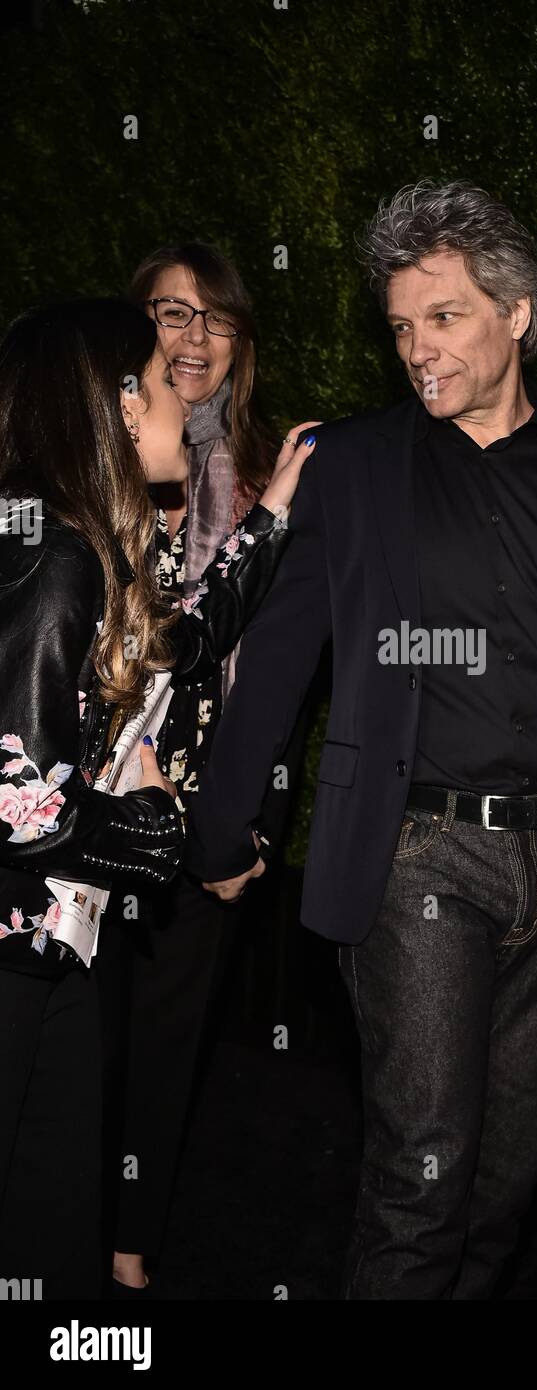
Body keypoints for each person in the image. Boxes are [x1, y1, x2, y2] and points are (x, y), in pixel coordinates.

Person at [186, 179, 537, 1299]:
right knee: (421, 1177)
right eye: (402, 326)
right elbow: (287, 651)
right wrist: (220, 827)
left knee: (505, 1184)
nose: (417, 348)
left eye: (442, 317)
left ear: (519, 316)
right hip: (416, 855)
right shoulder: (353, 467)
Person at [0, 297, 313, 1298]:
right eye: (166, 377)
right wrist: (155, 830)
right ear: (120, 404)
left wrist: (267, 525)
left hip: (54, 952)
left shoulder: (79, 547)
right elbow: (19, 804)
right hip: (16, 958)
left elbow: (178, 648)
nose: (194, 401)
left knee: (56, 1241)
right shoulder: (50, 558)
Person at [99, 244, 318, 1295]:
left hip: (207, 822)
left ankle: (129, 1248)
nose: (191, 338)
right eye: (169, 313)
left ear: (241, 342)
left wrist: (241, 830)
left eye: (214, 319)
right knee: (67, 1040)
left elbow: (285, 681)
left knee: (169, 1044)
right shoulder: (94, 464)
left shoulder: (282, 471)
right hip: (87, 818)